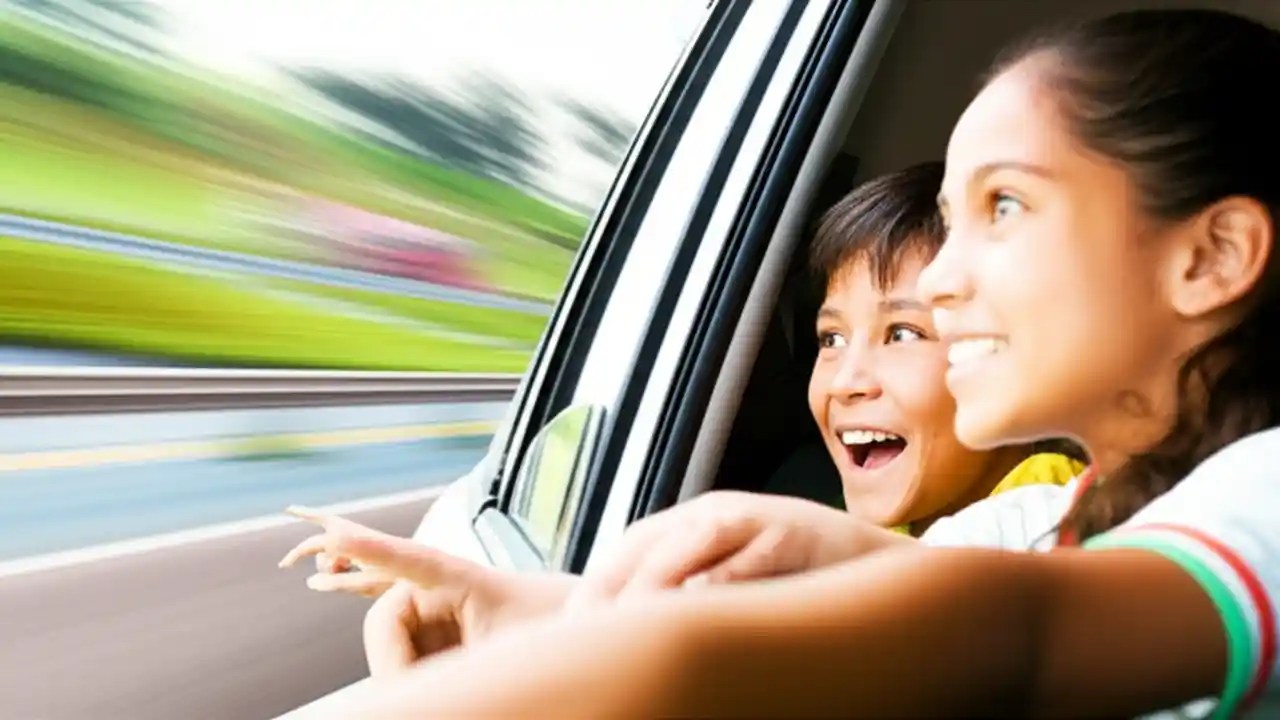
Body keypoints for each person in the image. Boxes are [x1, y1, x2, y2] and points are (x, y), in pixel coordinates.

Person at [286, 8, 1280, 718]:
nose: (940, 283)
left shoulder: (1263, 496)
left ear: (1210, 256)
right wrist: (504, 605)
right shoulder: (1056, 518)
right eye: (947, 222)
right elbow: (920, 594)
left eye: (1003, 208)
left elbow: (1012, 636)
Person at [280, 164, 1080, 651]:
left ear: (997, 348)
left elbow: (917, 608)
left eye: (902, 332)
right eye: (831, 340)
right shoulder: (889, 526)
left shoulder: (1053, 509)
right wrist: (484, 592)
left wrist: (510, 608)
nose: (848, 379)